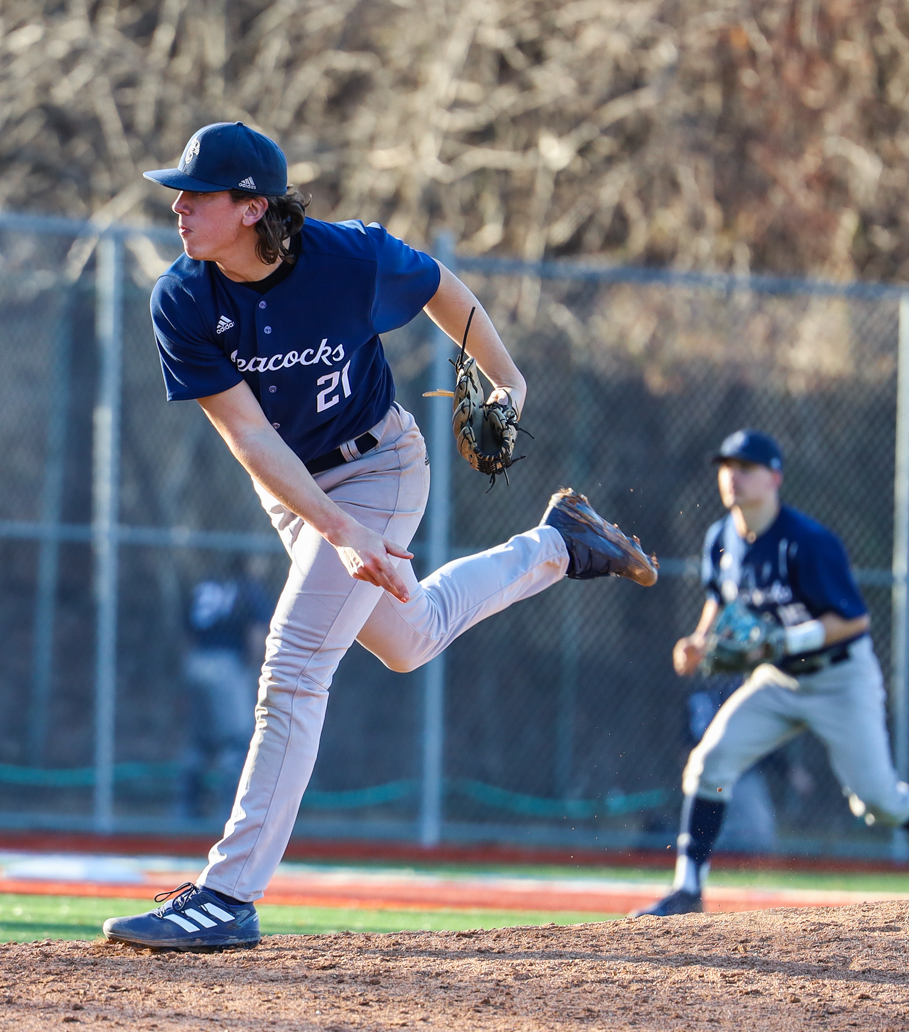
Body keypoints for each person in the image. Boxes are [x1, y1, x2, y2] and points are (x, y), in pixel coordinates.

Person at [103, 121, 659, 950]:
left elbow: (440, 287)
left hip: (381, 465)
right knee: (411, 638)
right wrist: (337, 531)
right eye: (178, 194)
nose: (178, 207)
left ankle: (228, 894)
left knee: (295, 663)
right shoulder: (183, 299)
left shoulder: (346, 257)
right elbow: (248, 437)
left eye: (197, 194)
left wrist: (507, 381)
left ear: (252, 209)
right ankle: (560, 544)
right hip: (296, 491)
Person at [635, 429, 909, 917]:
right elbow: (719, 598)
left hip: (839, 679)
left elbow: (853, 620)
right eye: (727, 467)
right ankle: (688, 889)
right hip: (777, 681)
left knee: (876, 799)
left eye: (746, 467)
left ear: (774, 477)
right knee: (708, 764)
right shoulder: (721, 539)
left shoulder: (807, 541)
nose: (733, 477)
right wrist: (698, 641)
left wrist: (785, 641)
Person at [177, 559, 271, 820]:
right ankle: (229, 814)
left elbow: (187, 632)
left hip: (196, 661)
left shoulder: (203, 586)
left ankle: (185, 811)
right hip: (226, 665)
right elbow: (256, 633)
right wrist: (251, 667)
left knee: (200, 741)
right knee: (236, 741)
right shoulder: (246, 588)